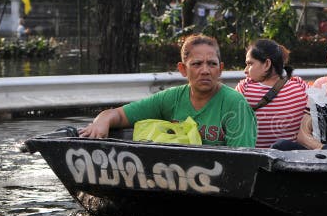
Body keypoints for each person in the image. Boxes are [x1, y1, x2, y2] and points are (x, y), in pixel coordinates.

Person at [80, 34, 256, 147]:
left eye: (212, 64)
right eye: (196, 64)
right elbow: (116, 115)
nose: (205, 70)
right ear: (182, 69)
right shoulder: (171, 98)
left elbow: (243, 162)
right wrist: (101, 122)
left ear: (220, 69)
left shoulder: (235, 104)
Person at [237, 39, 308, 148]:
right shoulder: (300, 86)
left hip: (257, 161)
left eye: (250, 64)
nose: (245, 70)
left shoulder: (245, 89)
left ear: (267, 64)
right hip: (292, 159)